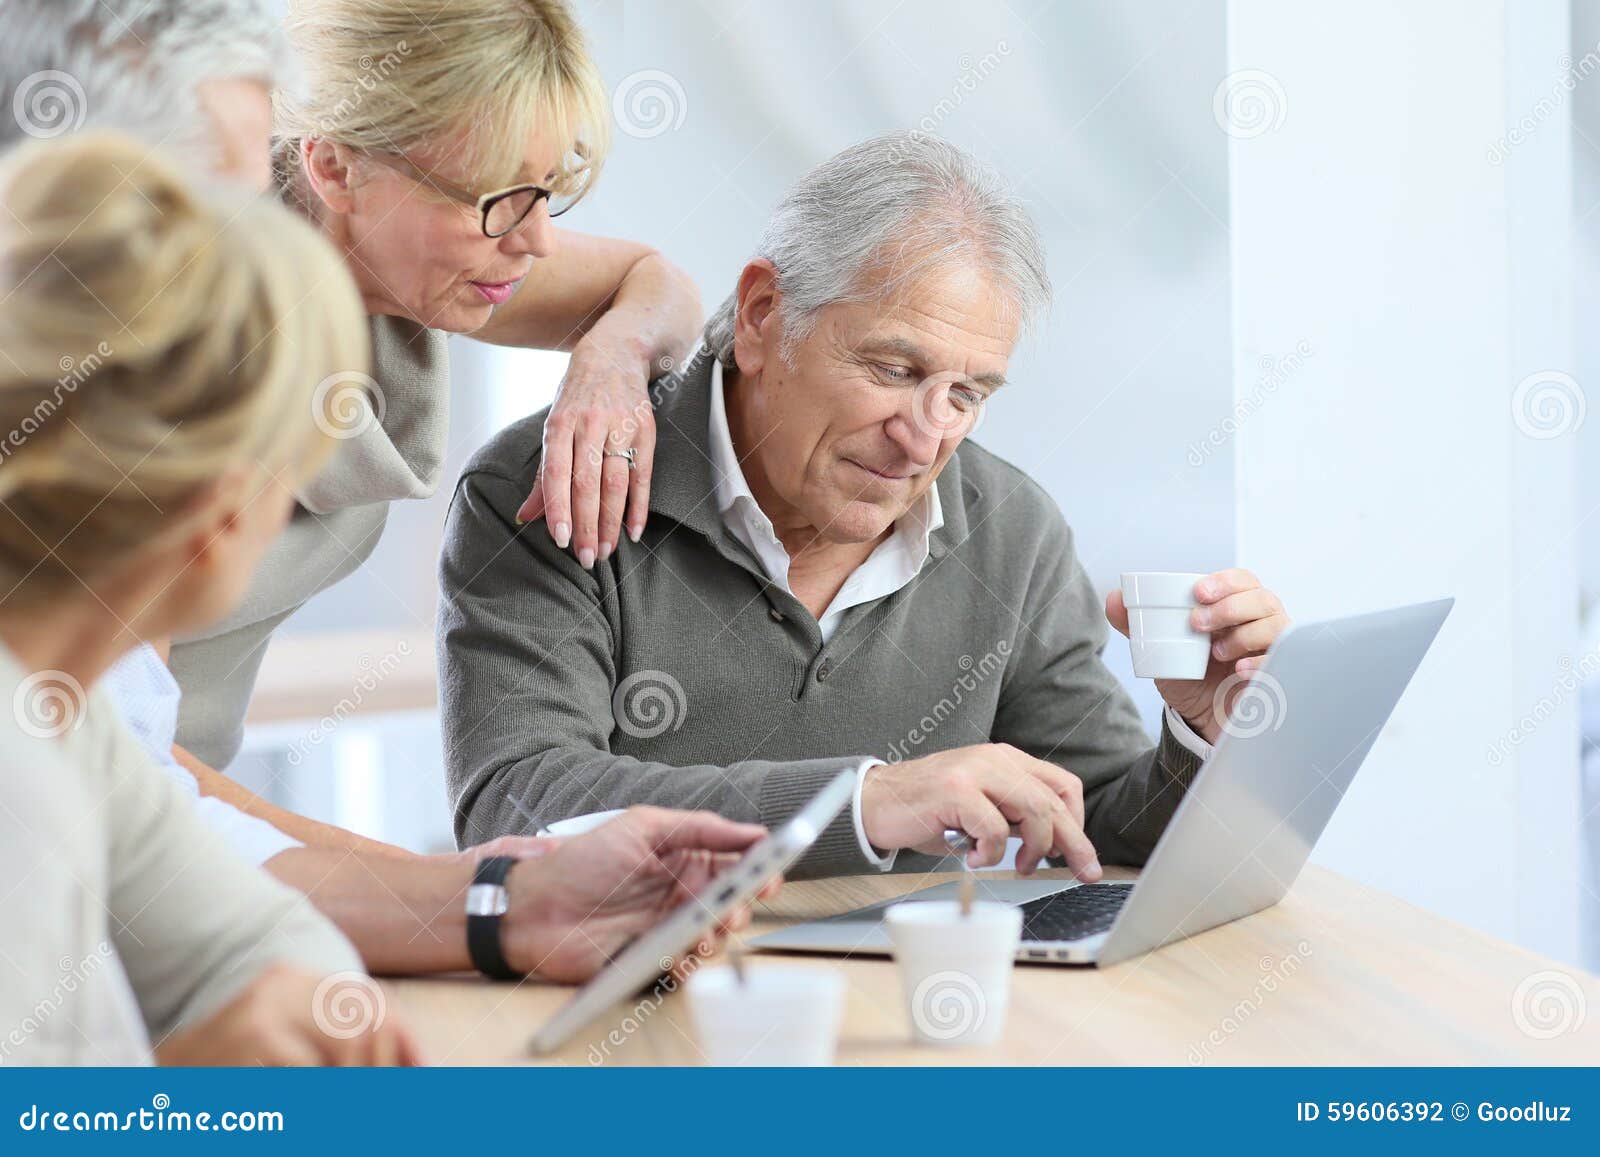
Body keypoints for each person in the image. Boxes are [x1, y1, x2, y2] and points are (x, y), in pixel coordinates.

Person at [437, 133, 1293, 879]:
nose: (925, 438)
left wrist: (1201, 735)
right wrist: (865, 801)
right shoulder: (557, 483)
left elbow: (1097, 819)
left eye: (968, 393)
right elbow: (522, 802)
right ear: (766, 315)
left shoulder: (1011, 529)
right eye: (895, 370)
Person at [0, 0, 697, 775]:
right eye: (494, 199)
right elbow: (129, 770)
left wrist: (610, 366)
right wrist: (482, 887)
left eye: (545, 189)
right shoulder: (176, 344)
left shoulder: (445, 253)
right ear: (333, 167)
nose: (534, 240)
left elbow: (655, 281)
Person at [0, 132, 413, 1065]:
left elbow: (261, 942)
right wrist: (179, 1090)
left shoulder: (71, 709)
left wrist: (289, 1009)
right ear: (223, 513)